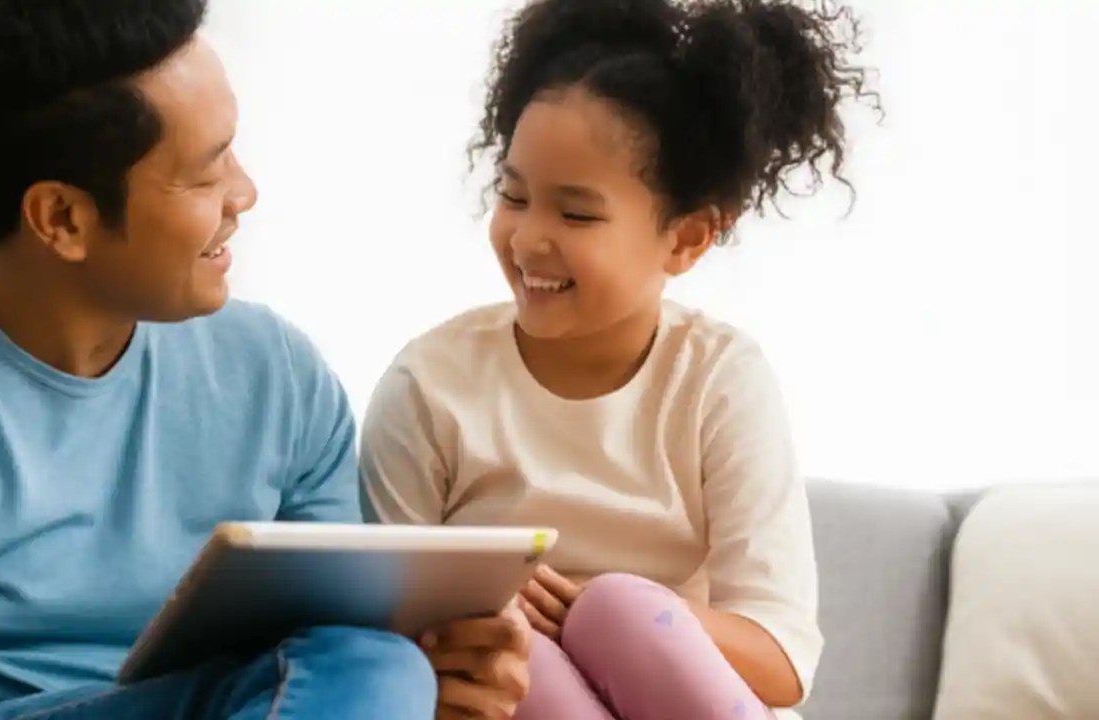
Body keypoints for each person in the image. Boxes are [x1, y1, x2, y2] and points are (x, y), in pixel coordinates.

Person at [0, 1, 529, 719]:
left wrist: (440, 678)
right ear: (63, 218)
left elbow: (341, 657)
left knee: (377, 662)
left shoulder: (276, 378)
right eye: (205, 174)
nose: (244, 194)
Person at [359, 0, 878, 718]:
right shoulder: (430, 387)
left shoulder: (720, 379)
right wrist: (489, 629)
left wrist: (605, 613)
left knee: (619, 614)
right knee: (523, 659)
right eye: (513, 195)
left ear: (687, 239)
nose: (527, 240)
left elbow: (782, 659)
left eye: (576, 213)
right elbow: (380, 642)